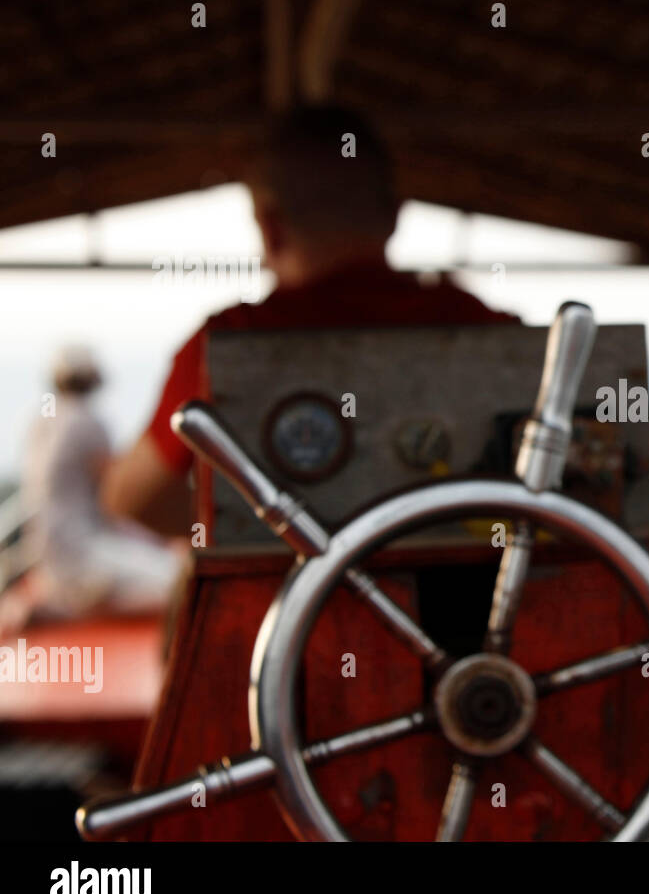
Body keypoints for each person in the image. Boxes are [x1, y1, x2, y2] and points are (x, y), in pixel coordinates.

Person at [102, 104, 518, 531]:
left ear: (270, 228)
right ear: (395, 215)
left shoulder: (232, 336)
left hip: (288, 594)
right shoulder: (481, 325)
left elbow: (133, 498)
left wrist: (254, 526)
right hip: (466, 594)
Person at [2, 346, 188, 635]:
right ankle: (72, 609)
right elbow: (120, 501)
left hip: (48, 564)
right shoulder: (88, 421)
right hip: (82, 560)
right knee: (181, 584)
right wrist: (168, 540)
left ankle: (63, 603)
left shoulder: (39, 423)